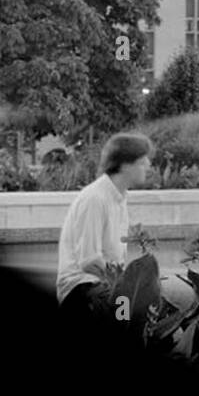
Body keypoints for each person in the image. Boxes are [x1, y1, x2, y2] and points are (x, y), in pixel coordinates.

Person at [56, 131, 153, 313]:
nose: (148, 165)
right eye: (142, 161)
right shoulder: (95, 198)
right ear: (125, 165)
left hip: (105, 285)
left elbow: (115, 258)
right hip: (81, 289)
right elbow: (89, 261)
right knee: (123, 312)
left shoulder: (119, 197)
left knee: (151, 302)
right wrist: (127, 283)